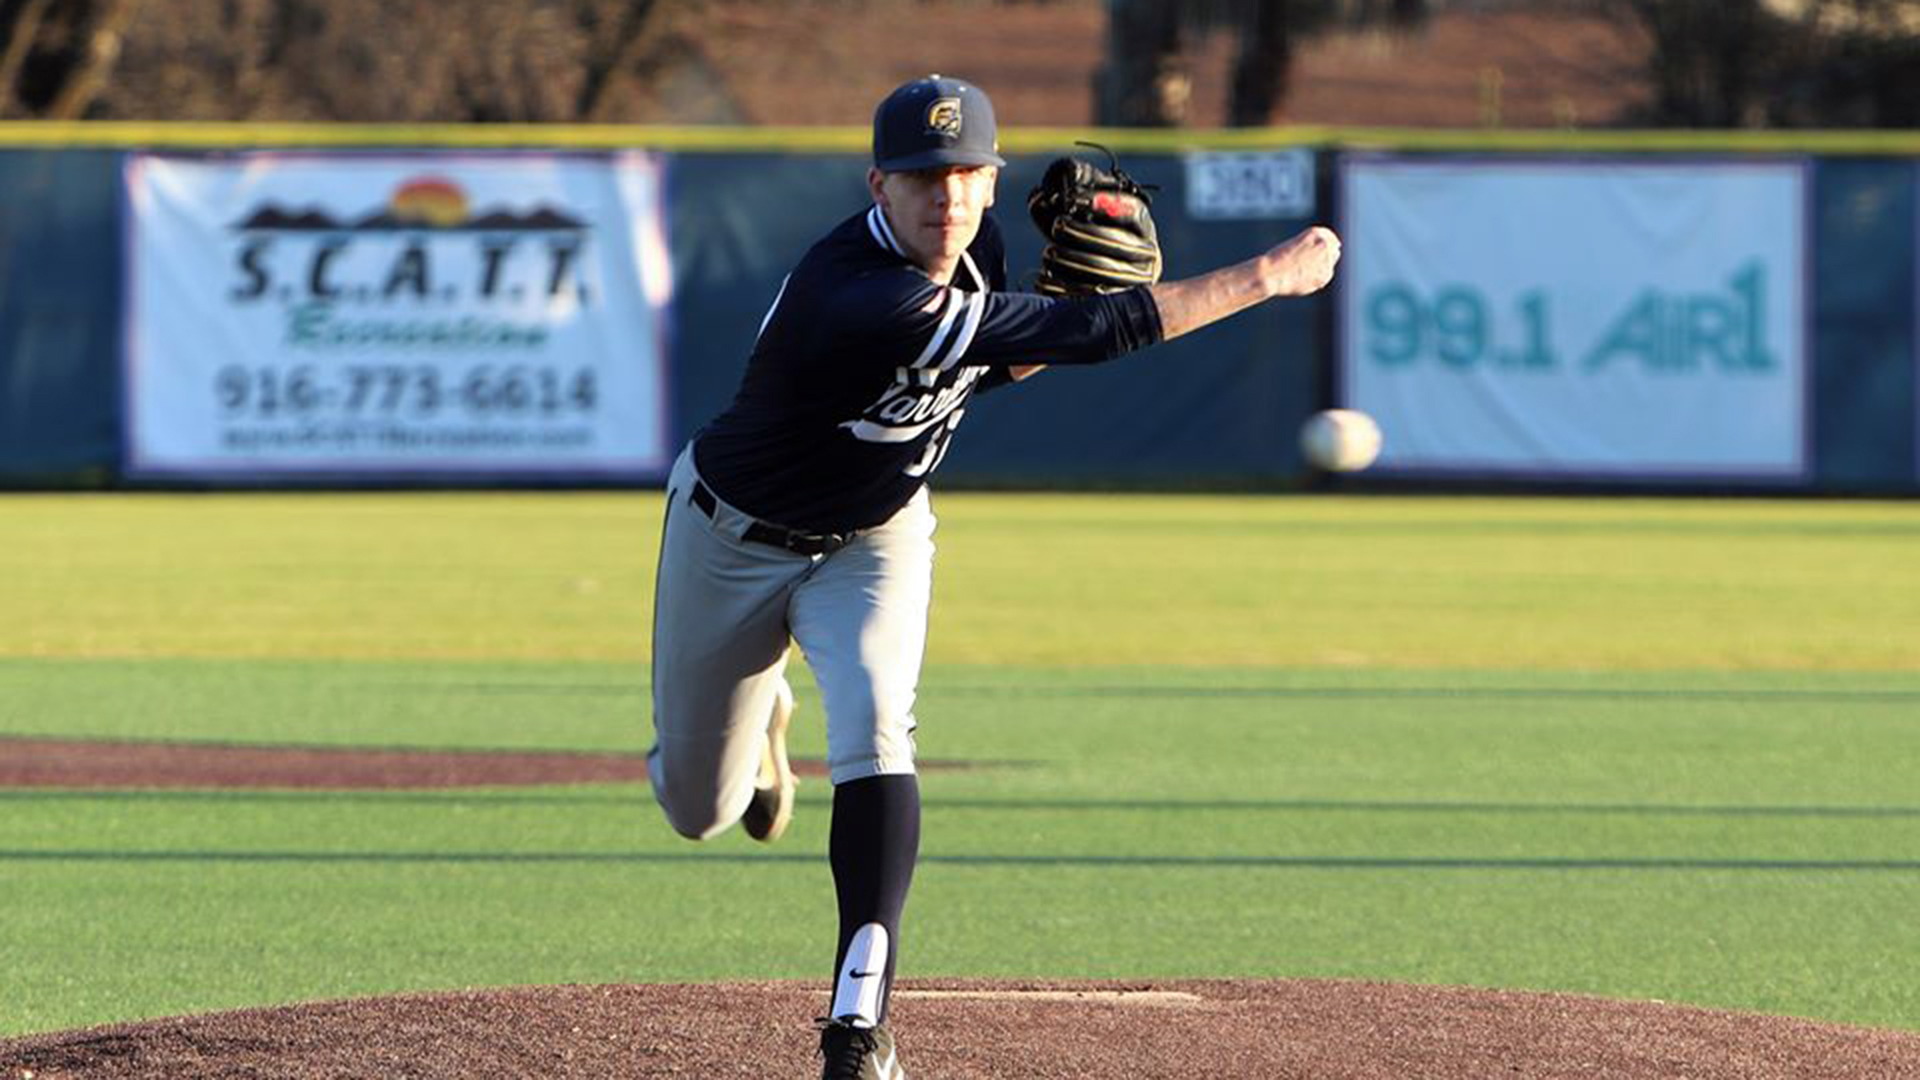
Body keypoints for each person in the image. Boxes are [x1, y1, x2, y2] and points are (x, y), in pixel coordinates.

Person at [645, 73, 1341, 1080]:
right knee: (695, 810)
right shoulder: (859, 291)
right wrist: (1264, 277)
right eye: (925, 178)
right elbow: (1090, 337)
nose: (950, 199)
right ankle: (762, 733)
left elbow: (1002, 361)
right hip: (730, 540)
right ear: (878, 184)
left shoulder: (981, 247)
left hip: (876, 536)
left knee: (879, 729)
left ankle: (857, 1023)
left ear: (993, 175)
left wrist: (1053, 308)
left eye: (969, 173)